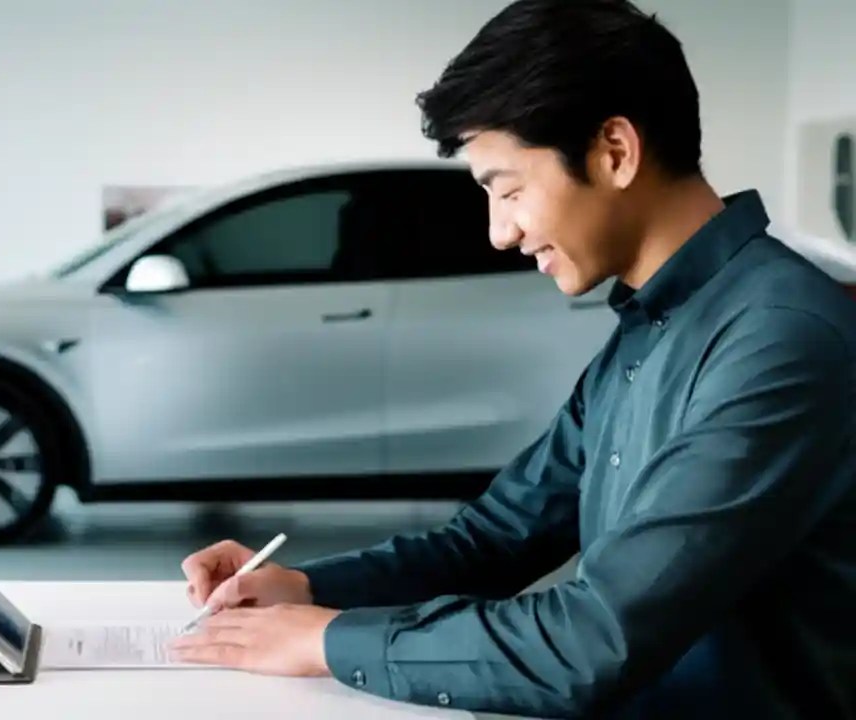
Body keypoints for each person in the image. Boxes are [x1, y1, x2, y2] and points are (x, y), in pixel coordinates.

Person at [167, 1, 856, 717]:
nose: (501, 232)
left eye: (510, 189)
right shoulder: (651, 325)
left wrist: (328, 642)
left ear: (614, 152)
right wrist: (307, 590)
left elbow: (591, 643)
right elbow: (494, 538)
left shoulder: (780, 339)